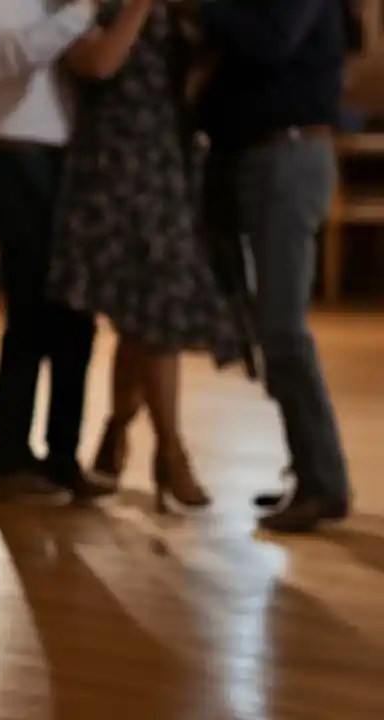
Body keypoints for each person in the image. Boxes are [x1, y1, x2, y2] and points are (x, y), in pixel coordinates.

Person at [47, 0, 244, 512]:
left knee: (152, 311)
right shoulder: (81, 6)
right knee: (147, 312)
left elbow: (197, 77)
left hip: (166, 162)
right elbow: (98, 63)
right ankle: (169, 451)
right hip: (112, 167)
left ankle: (121, 433)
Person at [196, 0, 353, 533]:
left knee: (281, 329)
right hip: (252, 157)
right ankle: (308, 466)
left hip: (285, 157)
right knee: (258, 325)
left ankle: (323, 482)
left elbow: (271, 40)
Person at [0, 0, 109, 500]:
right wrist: (80, 11)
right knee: (30, 310)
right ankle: (8, 460)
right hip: (12, 155)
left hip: (68, 158)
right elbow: (12, 57)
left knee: (74, 310)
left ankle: (63, 456)